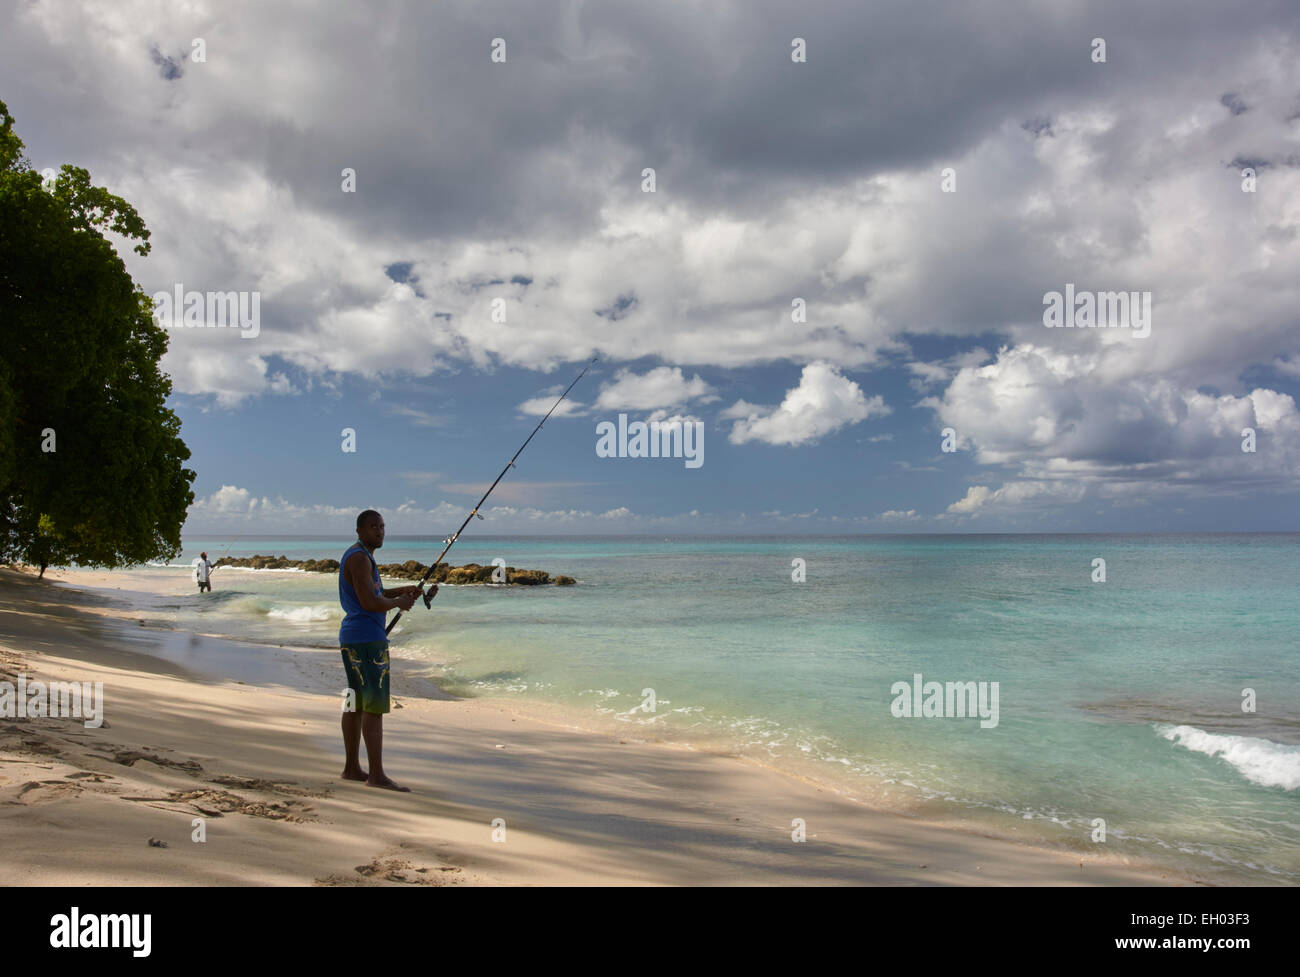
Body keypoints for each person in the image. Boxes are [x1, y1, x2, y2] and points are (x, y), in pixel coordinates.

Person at [338, 509, 436, 791]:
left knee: (355, 702)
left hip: (355, 637)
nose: (379, 531)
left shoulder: (361, 557)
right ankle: (376, 775)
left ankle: (352, 768)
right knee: (374, 705)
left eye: (382, 526)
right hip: (367, 639)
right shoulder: (358, 558)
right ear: (359, 530)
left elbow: (372, 594)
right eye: (373, 527)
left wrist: (398, 592)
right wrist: (398, 604)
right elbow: (369, 602)